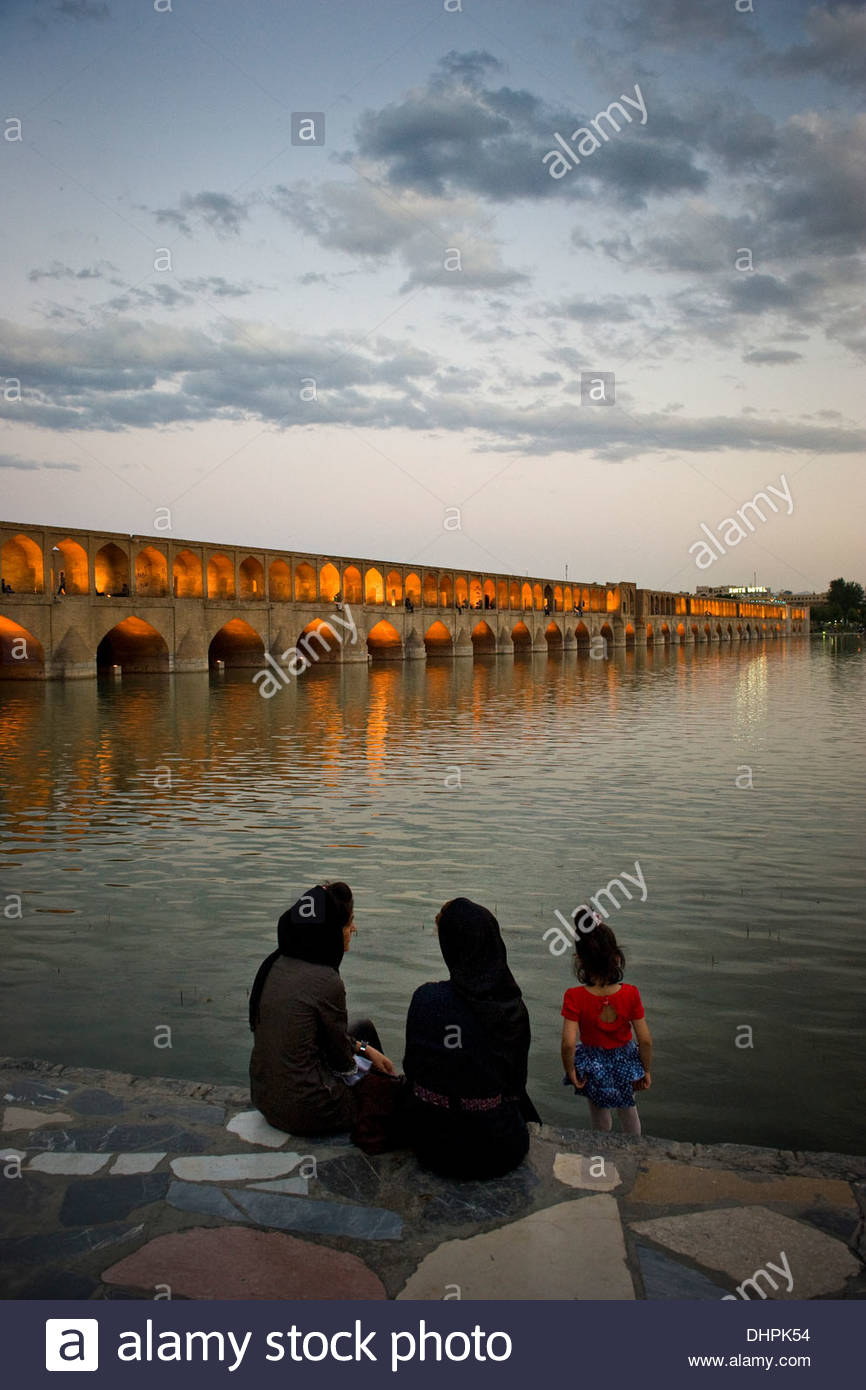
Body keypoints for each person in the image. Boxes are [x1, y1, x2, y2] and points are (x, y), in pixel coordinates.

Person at [403, 898, 540, 1179]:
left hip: (430, 1144)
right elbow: (515, 1087)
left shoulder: (426, 999)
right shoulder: (510, 1008)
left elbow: (413, 1070)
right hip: (497, 1150)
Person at [248, 882, 395, 1135]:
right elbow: (343, 1064)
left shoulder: (275, 962)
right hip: (310, 1111)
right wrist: (370, 1070)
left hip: (264, 1098)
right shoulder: (327, 981)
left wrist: (365, 1048)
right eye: (349, 922)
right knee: (386, 1093)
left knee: (363, 1030)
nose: (353, 929)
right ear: (330, 930)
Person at [560, 911, 652, 1134]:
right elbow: (646, 1040)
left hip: (593, 1063)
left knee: (600, 1117)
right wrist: (645, 1069)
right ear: (616, 958)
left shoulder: (574, 996)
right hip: (626, 1061)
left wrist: (570, 1068)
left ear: (579, 960)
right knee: (629, 1111)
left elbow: (568, 1043)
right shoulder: (631, 994)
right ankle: (634, 1154)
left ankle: (601, 1157)